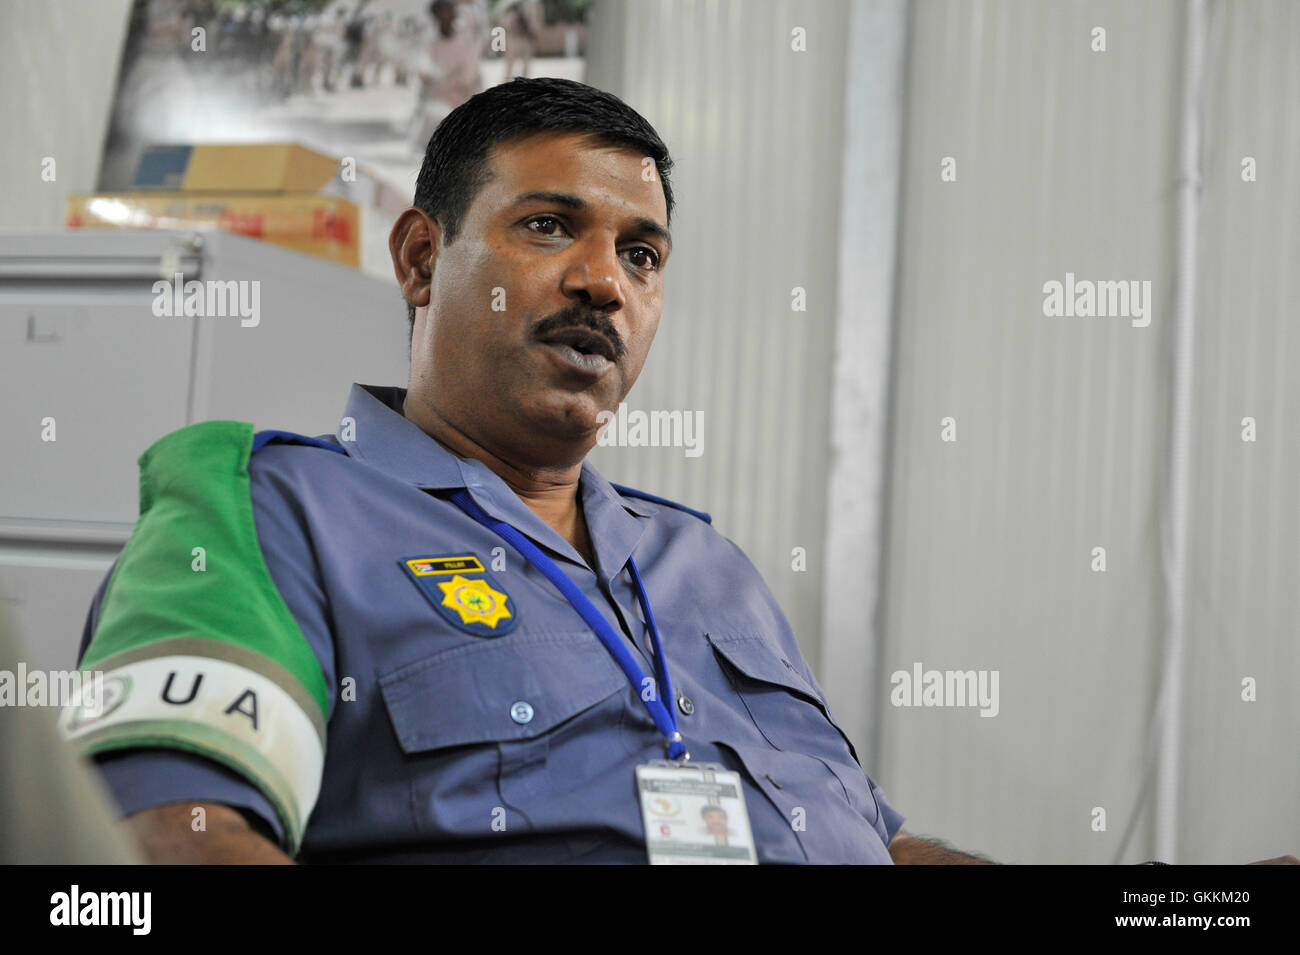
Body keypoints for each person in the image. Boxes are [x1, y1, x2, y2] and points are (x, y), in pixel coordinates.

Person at [59, 78, 1295, 866]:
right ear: (422, 256)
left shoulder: (708, 566)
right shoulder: (270, 505)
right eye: (551, 227)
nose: (605, 280)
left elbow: (870, 839)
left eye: (642, 253)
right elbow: (168, 844)